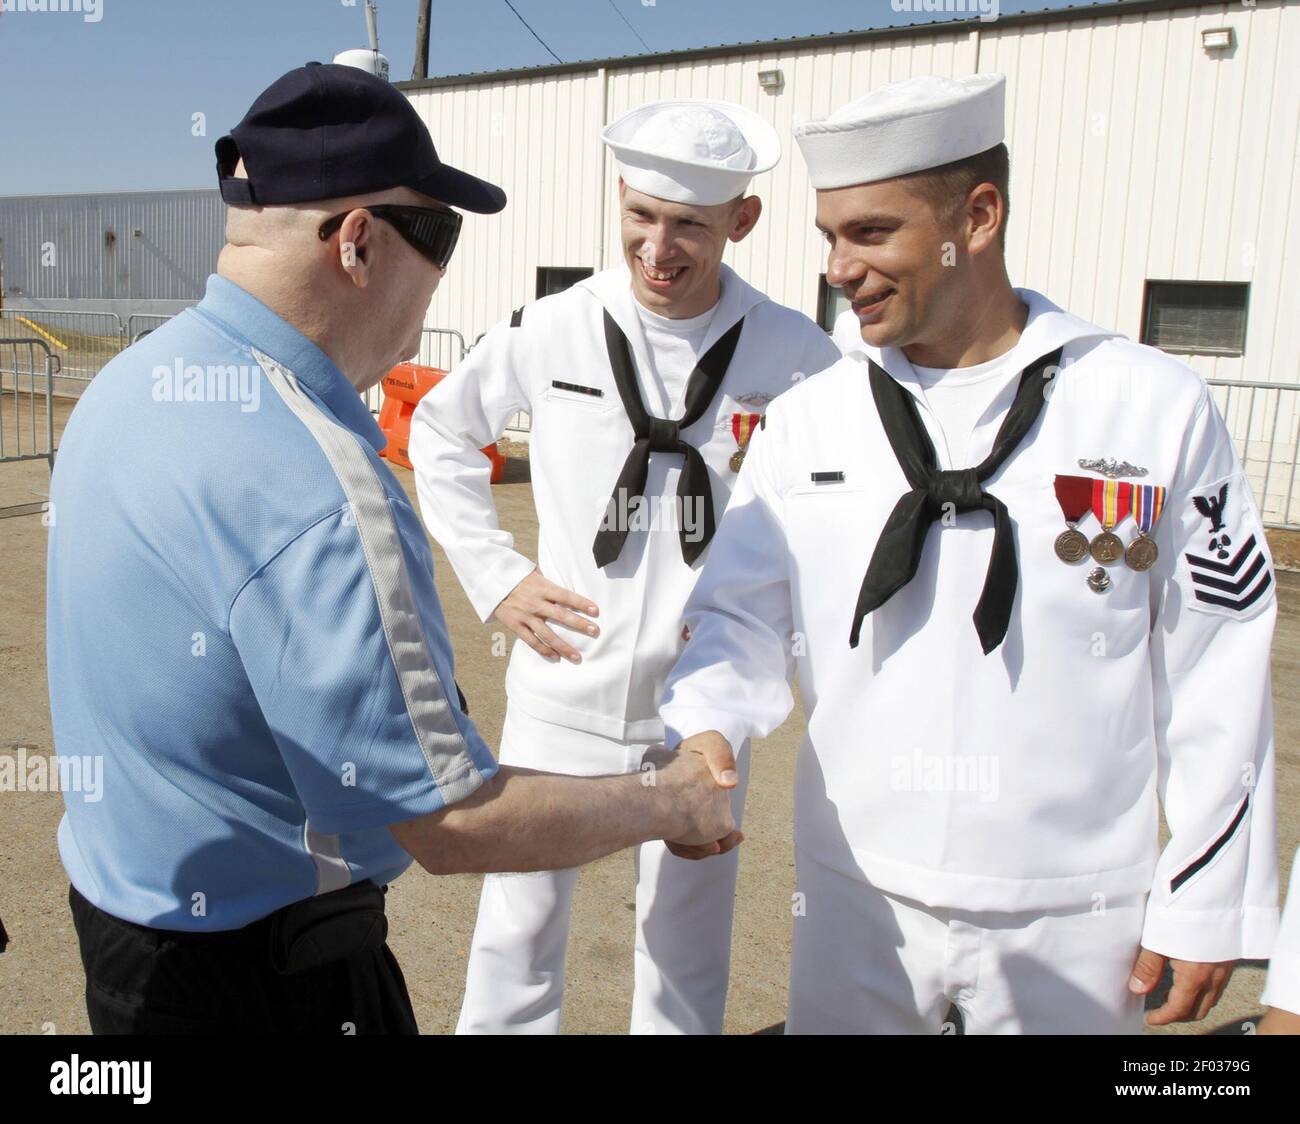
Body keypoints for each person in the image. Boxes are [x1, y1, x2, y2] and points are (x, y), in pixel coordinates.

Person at [46, 63, 737, 1036]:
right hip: (276, 979)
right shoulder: (320, 488)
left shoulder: (131, 385)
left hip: (125, 949)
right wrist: (669, 804)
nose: (437, 287)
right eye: (440, 235)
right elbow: (451, 820)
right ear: (360, 240)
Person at [659, 73, 1280, 1034]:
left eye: (869, 233)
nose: (837, 266)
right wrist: (707, 725)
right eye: (828, 237)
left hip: (1076, 918)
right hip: (853, 897)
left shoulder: (1149, 406)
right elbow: (738, 613)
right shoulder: (811, 420)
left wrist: (1204, 896)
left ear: (977, 217)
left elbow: (1216, 663)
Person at [410, 98, 840, 1034]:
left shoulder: (801, 357)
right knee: (517, 932)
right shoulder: (554, 325)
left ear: (742, 221)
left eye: (689, 223)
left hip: (705, 707)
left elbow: (839, 511)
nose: (659, 246)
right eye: (641, 215)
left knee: (686, 946)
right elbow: (440, 432)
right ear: (619, 201)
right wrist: (498, 578)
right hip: (564, 684)